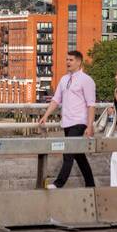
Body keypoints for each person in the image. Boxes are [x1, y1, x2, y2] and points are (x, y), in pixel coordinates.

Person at [38, 49, 96, 188]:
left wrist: (89, 125)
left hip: (79, 121)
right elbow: (56, 100)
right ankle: (91, 184)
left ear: (79, 62)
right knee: (78, 155)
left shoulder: (86, 80)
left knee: (68, 153)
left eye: (71, 60)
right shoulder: (64, 79)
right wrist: (45, 116)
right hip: (67, 122)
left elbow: (91, 105)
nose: (67, 62)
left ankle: (59, 184)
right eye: (67, 59)